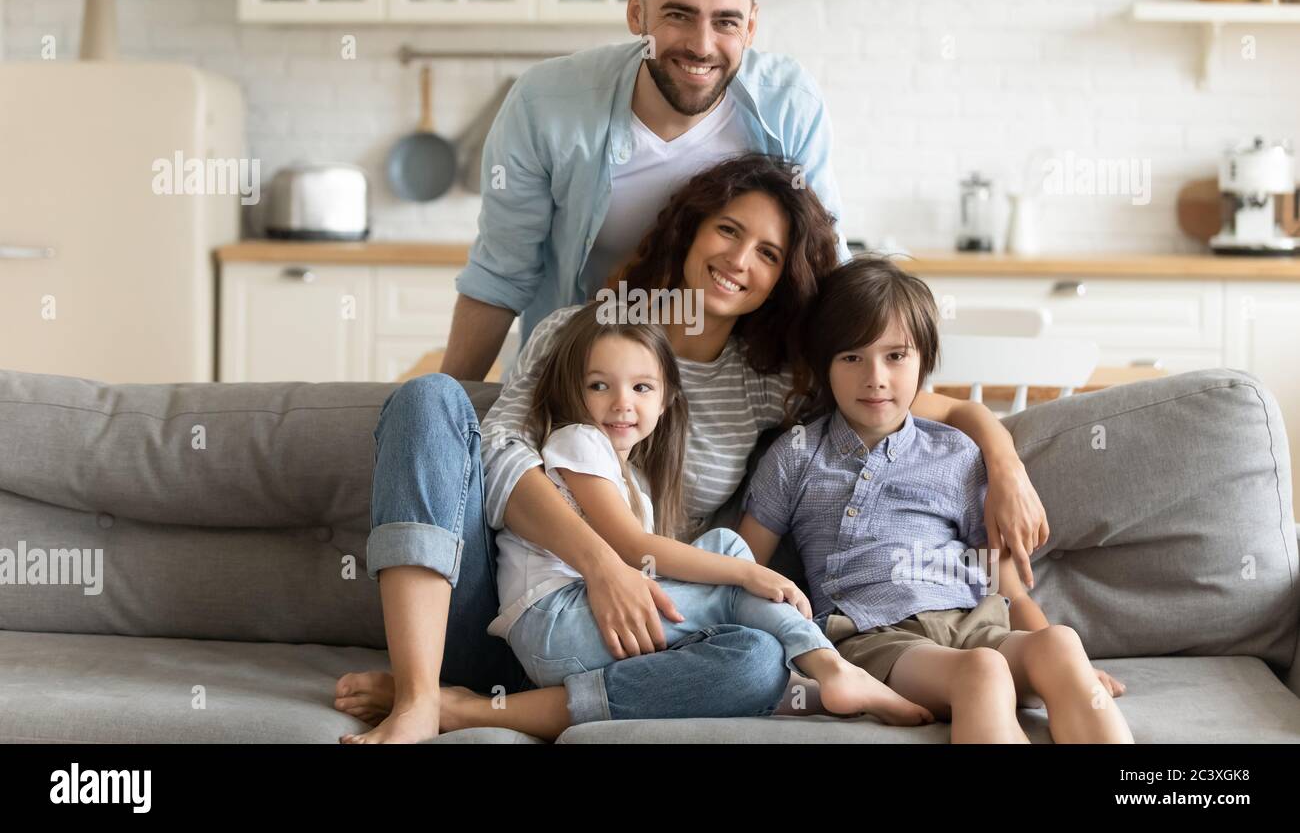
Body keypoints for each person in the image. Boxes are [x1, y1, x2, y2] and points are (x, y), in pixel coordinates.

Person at [337, 154, 1049, 742]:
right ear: (689, 230)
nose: (739, 260)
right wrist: (603, 563)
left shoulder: (771, 383)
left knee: (759, 664)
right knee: (430, 396)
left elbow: (923, 401)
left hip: (639, 643)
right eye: (728, 231)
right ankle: (420, 696)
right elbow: (500, 457)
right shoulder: (581, 332)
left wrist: (1003, 459)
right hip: (509, 608)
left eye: (767, 252)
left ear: (782, 277)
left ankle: (471, 708)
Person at [451, 301, 934, 740]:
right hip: (554, 620)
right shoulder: (578, 441)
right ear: (570, 393)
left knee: (747, 636)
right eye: (599, 385)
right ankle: (829, 667)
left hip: (588, 633)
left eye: (641, 387)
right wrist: (749, 573)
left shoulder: (635, 481)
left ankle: (795, 681)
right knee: (728, 561)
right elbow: (629, 546)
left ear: (665, 401)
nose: (622, 402)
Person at [736, 257, 1132, 743]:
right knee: (982, 672)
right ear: (825, 366)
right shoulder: (797, 455)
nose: (875, 377)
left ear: (923, 362)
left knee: (1060, 644)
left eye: (896, 356)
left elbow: (1007, 585)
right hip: (876, 638)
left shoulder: (958, 453)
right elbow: (744, 568)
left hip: (977, 626)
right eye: (852, 357)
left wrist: (1073, 672)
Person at [441, 0, 850, 382]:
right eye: (679, 15)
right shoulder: (545, 105)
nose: (701, 44)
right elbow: (501, 276)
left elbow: (825, 269)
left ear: (751, 26)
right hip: (582, 381)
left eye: (726, 22)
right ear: (637, 12)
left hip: (735, 388)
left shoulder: (790, 104)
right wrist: (450, 407)